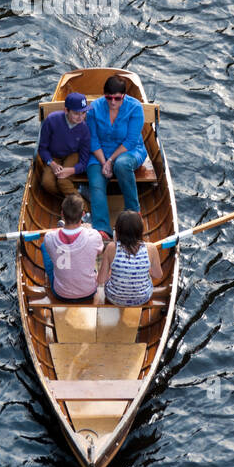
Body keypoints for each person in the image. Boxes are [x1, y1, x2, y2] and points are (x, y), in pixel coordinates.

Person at [85, 74, 147, 237]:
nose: (113, 102)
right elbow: (92, 139)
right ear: (104, 95)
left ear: (124, 96)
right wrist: (104, 161)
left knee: (121, 164)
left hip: (129, 151)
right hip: (99, 153)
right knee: (96, 182)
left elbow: (131, 141)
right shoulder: (94, 108)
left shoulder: (135, 108)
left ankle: (134, 213)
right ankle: (102, 229)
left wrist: (111, 161)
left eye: (117, 98)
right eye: (109, 97)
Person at [42, 193, 105, 302]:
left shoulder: (49, 237)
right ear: (83, 214)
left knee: (44, 246)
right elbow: (99, 251)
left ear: (62, 214)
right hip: (89, 292)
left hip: (61, 294)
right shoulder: (94, 235)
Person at [97, 209, 163, 308]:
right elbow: (158, 275)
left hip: (113, 299)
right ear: (140, 230)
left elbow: (101, 279)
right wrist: (143, 269)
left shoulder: (111, 248)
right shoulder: (151, 248)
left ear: (117, 232)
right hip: (142, 299)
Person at [37, 92, 91, 202]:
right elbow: (42, 149)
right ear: (66, 110)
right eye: (76, 113)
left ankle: (83, 210)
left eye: (84, 112)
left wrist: (71, 170)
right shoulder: (51, 120)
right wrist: (52, 164)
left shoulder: (85, 130)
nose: (81, 117)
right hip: (53, 157)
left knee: (62, 181)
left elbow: (84, 161)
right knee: (47, 184)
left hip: (73, 155)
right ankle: (78, 191)